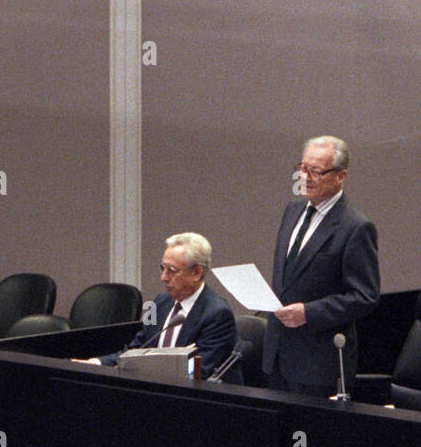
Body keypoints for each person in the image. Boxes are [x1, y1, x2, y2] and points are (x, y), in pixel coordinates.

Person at [263, 135, 379, 398]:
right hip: (279, 354)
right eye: (302, 169)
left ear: (340, 176)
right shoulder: (292, 210)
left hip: (319, 361)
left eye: (315, 171)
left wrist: (309, 312)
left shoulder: (355, 227)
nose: (305, 177)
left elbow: (364, 296)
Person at [75, 232, 236, 377]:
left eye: (172, 270)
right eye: (162, 268)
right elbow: (137, 348)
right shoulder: (158, 302)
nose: (163, 277)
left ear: (196, 273)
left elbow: (199, 372)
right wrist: (97, 362)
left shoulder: (217, 314)